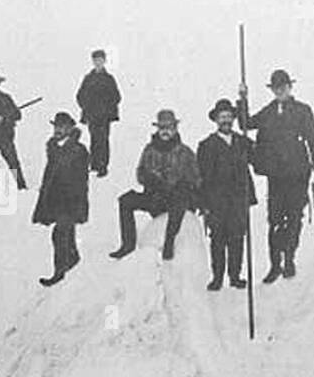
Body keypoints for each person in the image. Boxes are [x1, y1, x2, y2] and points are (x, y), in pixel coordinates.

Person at [239, 68, 314, 283]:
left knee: (294, 217)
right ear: (273, 90)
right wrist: (242, 99)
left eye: (283, 87)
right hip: (276, 175)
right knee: (275, 219)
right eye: (276, 87)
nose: (280, 90)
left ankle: (289, 259)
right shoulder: (268, 112)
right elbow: (246, 124)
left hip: (298, 173)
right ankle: (275, 265)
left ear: (290, 87)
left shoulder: (302, 111)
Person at [109, 109, 201, 261]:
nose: (165, 131)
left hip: (175, 201)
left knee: (180, 198)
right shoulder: (149, 150)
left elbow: (196, 178)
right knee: (125, 200)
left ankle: (169, 243)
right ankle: (128, 244)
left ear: (175, 129)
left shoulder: (185, 152)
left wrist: (179, 184)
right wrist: (151, 180)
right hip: (155, 197)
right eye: (162, 127)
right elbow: (140, 173)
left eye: (169, 127)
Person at [197, 98, 257, 291]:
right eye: (222, 117)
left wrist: (243, 102)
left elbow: (258, 157)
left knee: (237, 237)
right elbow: (202, 176)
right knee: (218, 240)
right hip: (216, 201)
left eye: (229, 116)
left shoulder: (243, 142)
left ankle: (235, 276)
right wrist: (204, 203)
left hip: (239, 199)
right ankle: (217, 277)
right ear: (216, 120)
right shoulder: (206, 145)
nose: (226, 120)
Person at [32, 111, 90, 287]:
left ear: (70, 128)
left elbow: (79, 179)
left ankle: (59, 271)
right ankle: (73, 259)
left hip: (72, 199)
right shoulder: (53, 147)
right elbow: (50, 173)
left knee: (60, 233)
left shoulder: (78, 150)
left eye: (62, 127)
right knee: (65, 232)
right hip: (55, 199)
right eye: (56, 126)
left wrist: (76, 201)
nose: (58, 130)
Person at [75, 49, 121, 177]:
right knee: (94, 139)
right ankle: (94, 164)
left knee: (103, 140)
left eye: (100, 60)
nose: (98, 63)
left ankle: (103, 166)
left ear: (104, 61)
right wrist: (87, 107)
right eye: (96, 60)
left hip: (104, 116)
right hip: (92, 115)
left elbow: (116, 97)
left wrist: (106, 107)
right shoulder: (88, 79)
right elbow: (80, 96)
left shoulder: (109, 79)